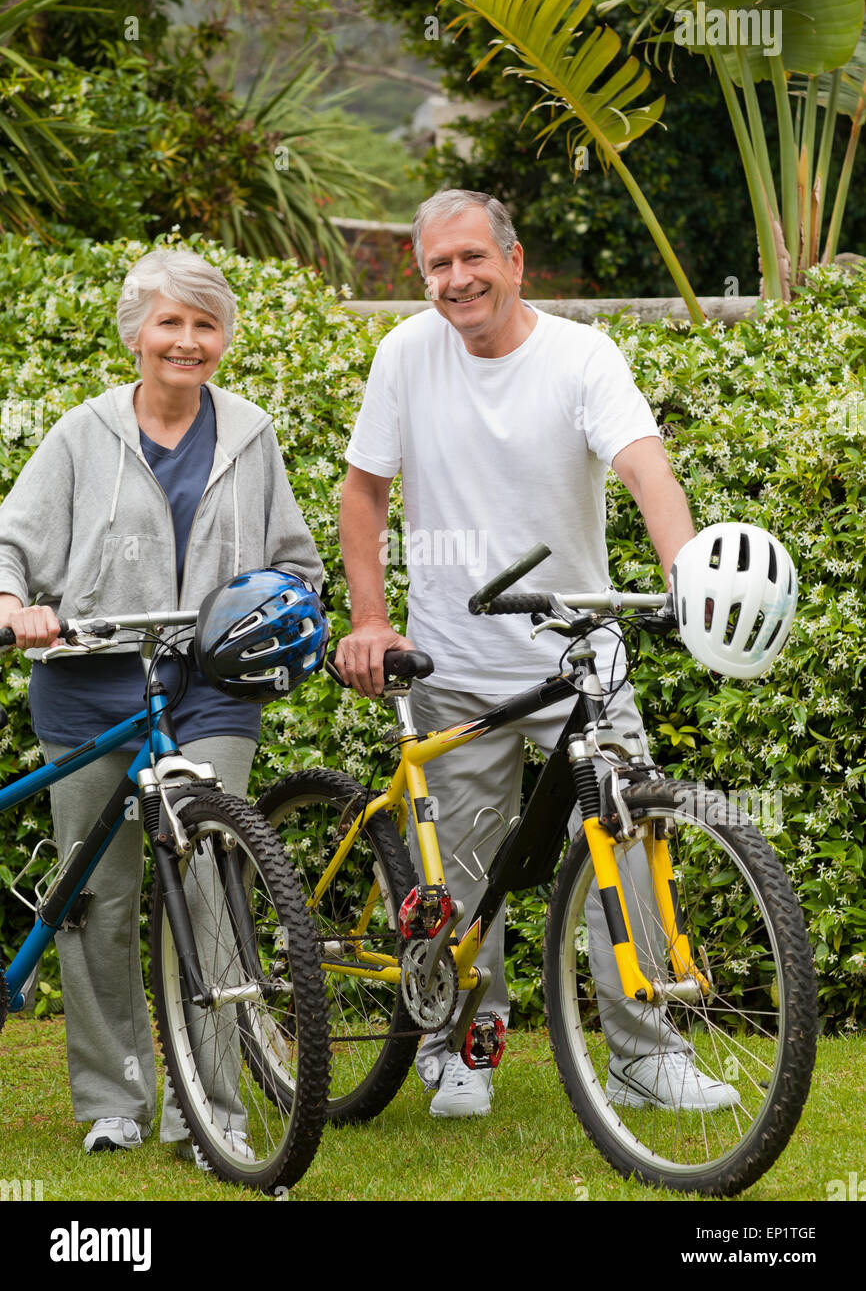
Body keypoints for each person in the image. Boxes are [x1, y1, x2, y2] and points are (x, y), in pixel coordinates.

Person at [335, 188, 739, 1119]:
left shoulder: (581, 356)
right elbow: (365, 494)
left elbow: (645, 463)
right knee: (468, 869)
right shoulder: (405, 355)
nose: (456, 278)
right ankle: (463, 1049)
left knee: (627, 834)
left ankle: (644, 1053)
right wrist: (370, 618)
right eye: (438, 264)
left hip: (577, 654)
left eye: (473, 258)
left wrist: (682, 571)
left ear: (515, 263)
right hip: (455, 656)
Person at [0, 249, 323, 1154]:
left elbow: (295, 564)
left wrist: (277, 612)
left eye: (205, 324)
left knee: (210, 879)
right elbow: (11, 548)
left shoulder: (251, 434)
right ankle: (115, 1098)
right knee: (97, 900)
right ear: (136, 332)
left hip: (210, 689)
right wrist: (14, 609)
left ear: (223, 339)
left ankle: (205, 1106)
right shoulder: (79, 434)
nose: (187, 341)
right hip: (90, 686)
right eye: (169, 323)